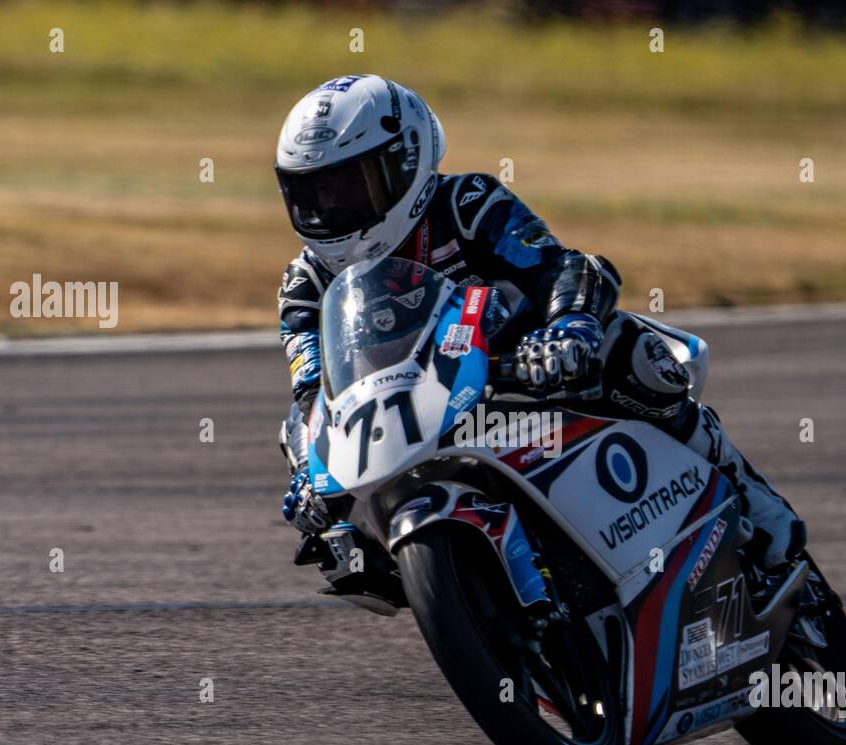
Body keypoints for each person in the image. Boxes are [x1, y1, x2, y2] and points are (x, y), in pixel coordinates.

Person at [275, 75, 804, 571]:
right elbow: (309, 394)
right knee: (337, 534)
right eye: (311, 194)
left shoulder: (467, 203)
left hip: (524, 370)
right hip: (407, 417)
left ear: (405, 162)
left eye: (346, 187)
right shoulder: (305, 283)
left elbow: (560, 267)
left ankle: (751, 497)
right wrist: (308, 471)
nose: (327, 208)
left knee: (634, 354)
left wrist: (570, 328)